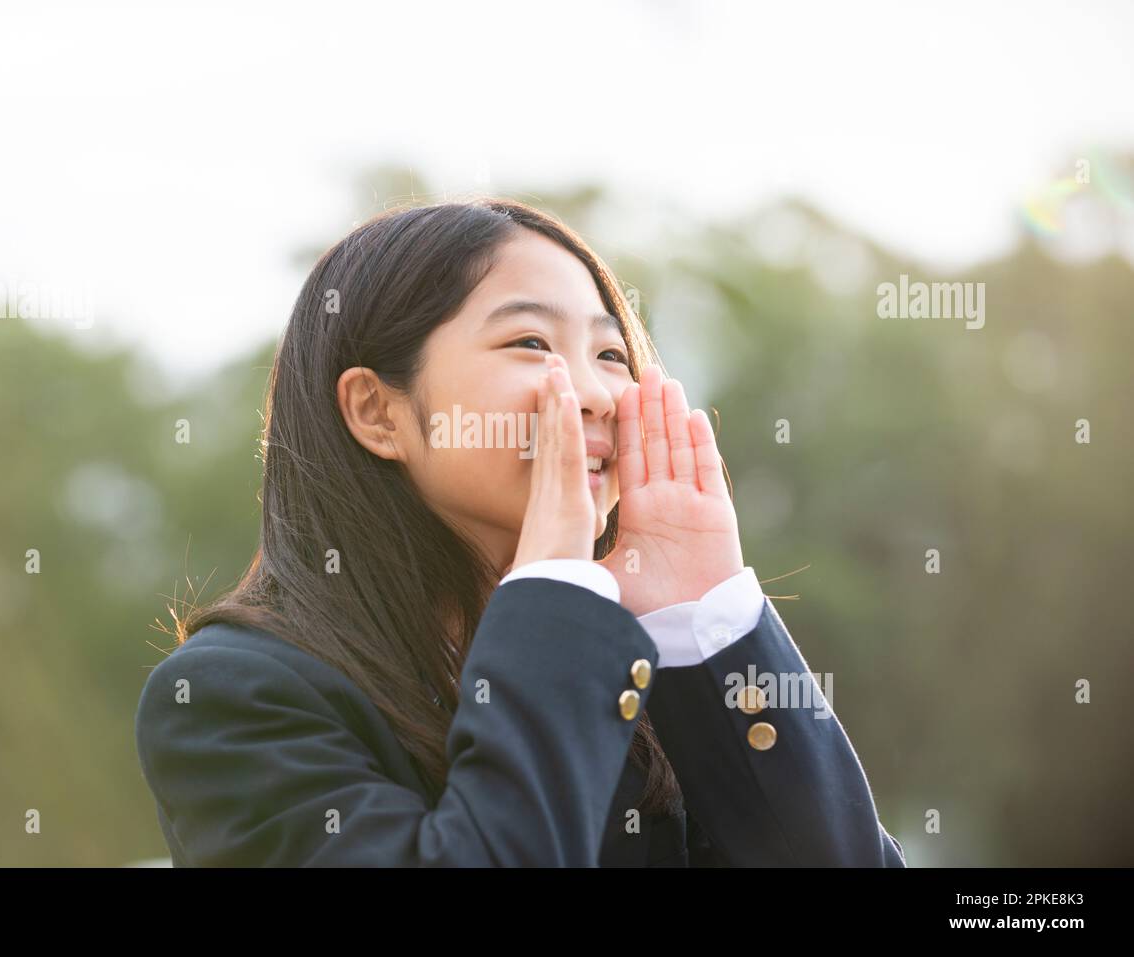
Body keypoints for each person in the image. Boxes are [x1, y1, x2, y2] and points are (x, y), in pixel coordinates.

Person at [134, 198, 906, 867]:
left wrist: (706, 622)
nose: (599, 392)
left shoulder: (646, 676)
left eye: (611, 352)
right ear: (377, 411)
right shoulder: (232, 698)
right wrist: (551, 598)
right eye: (531, 343)